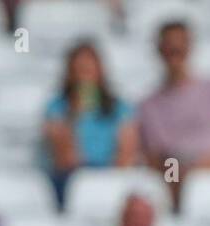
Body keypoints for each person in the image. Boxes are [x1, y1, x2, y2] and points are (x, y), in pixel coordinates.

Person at [138, 21, 210, 202]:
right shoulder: (149, 105)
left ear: (190, 47)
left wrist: (206, 166)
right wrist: (181, 176)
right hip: (177, 180)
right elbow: (157, 158)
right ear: (160, 51)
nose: (175, 54)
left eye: (179, 47)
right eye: (170, 48)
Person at [42, 40, 138, 207]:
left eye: (88, 71)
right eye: (79, 72)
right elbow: (65, 159)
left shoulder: (120, 109)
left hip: (110, 176)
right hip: (73, 178)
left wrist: (105, 180)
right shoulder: (56, 108)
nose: (84, 78)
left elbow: (126, 156)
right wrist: (75, 116)